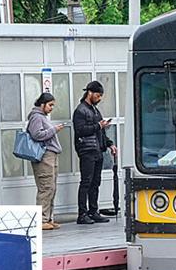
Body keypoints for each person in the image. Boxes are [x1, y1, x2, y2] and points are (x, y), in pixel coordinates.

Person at [73, 80, 117, 225]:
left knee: (95, 182)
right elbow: (80, 130)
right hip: (86, 150)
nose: (99, 99)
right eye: (98, 96)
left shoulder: (95, 110)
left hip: (97, 149)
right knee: (86, 182)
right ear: (89, 93)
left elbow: (100, 131)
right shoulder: (80, 110)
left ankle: (93, 211)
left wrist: (110, 144)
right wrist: (98, 125)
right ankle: (82, 214)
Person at [26, 93, 65, 230]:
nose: (51, 108)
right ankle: (41, 220)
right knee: (45, 187)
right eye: (50, 105)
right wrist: (54, 129)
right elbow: (37, 135)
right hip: (44, 156)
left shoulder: (42, 117)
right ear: (42, 104)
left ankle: (48, 218)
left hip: (50, 154)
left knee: (51, 187)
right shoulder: (36, 117)